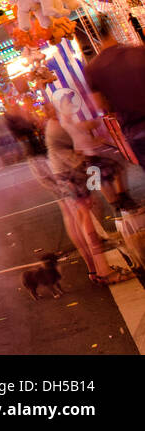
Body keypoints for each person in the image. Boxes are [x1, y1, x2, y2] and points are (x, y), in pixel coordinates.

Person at [46, 90, 134, 285]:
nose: (71, 107)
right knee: (87, 212)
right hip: (73, 173)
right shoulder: (59, 127)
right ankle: (103, 270)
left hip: (72, 173)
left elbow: (79, 134)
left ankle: (96, 269)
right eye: (68, 103)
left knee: (87, 210)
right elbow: (77, 149)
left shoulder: (58, 124)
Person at [84, 31, 145, 168]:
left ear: (99, 40)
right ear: (112, 35)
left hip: (134, 128)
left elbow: (100, 104)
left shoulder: (93, 68)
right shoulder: (139, 51)